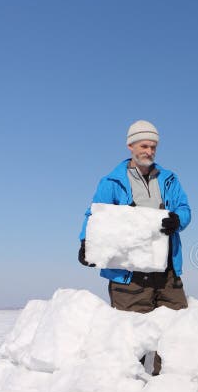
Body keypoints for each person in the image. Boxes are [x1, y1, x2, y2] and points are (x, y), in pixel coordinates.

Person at [78, 120, 192, 372]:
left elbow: (184, 208)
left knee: (176, 330)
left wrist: (178, 220)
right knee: (130, 336)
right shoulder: (112, 181)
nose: (149, 151)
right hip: (129, 274)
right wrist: (85, 242)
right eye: (144, 145)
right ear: (130, 145)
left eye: (153, 147)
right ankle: (128, 391)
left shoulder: (169, 179)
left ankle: (168, 386)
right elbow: (94, 215)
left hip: (166, 270)